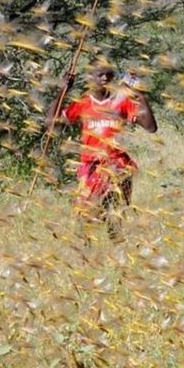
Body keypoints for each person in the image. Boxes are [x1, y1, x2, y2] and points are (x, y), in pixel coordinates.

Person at [45, 63, 157, 241]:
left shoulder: (121, 102)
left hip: (117, 165)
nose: (105, 78)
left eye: (109, 75)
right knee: (84, 215)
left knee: (114, 214)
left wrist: (139, 95)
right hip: (91, 165)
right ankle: (85, 250)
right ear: (90, 79)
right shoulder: (83, 103)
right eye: (100, 75)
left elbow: (151, 127)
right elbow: (52, 123)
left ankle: (117, 249)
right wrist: (64, 90)